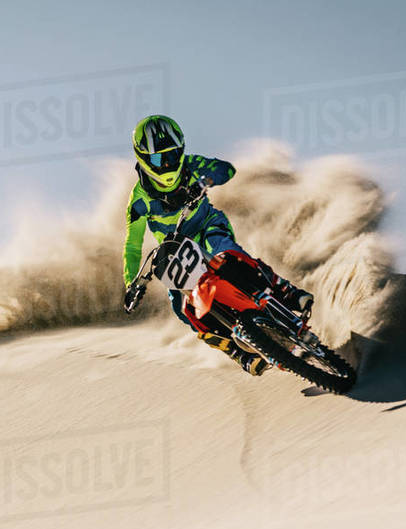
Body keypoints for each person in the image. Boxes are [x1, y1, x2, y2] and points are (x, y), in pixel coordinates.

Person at [121, 114, 312, 375]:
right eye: (158, 159)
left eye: (173, 155)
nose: (167, 163)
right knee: (182, 309)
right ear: (143, 157)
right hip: (175, 251)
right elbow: (132, 246)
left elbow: (226, 169)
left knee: (229, 255)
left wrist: (205, 181)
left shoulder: (190, 165)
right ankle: (238, 353)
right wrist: (132, 282)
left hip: (207, 226)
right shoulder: (138, 200)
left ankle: (286, 290)